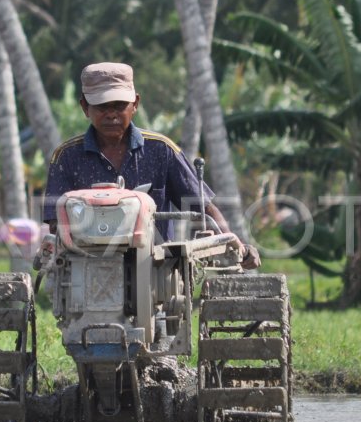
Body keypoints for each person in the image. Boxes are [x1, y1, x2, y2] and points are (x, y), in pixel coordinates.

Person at [41, 61, 259, 269]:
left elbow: (203, 209)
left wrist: (237, 247)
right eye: (101, 106)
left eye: (119, 105)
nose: (111, 114)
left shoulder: (162, 150)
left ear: (135, 104)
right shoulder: (66, 157)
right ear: (85, 107)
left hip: (158, 268)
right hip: (85, 265)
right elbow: (55, 223)